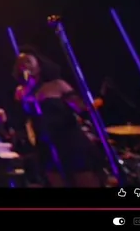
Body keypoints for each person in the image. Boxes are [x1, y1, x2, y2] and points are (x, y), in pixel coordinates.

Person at [13, 47, 100, 188]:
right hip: (46, 145)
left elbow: (80, 108)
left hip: (70, 141)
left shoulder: (58, 84)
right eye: (21, 64)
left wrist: (90, 104)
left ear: (39, 63)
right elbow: (20, 120)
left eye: (28, 61)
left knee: (84, 180)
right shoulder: (22, 92)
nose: (25, 66)